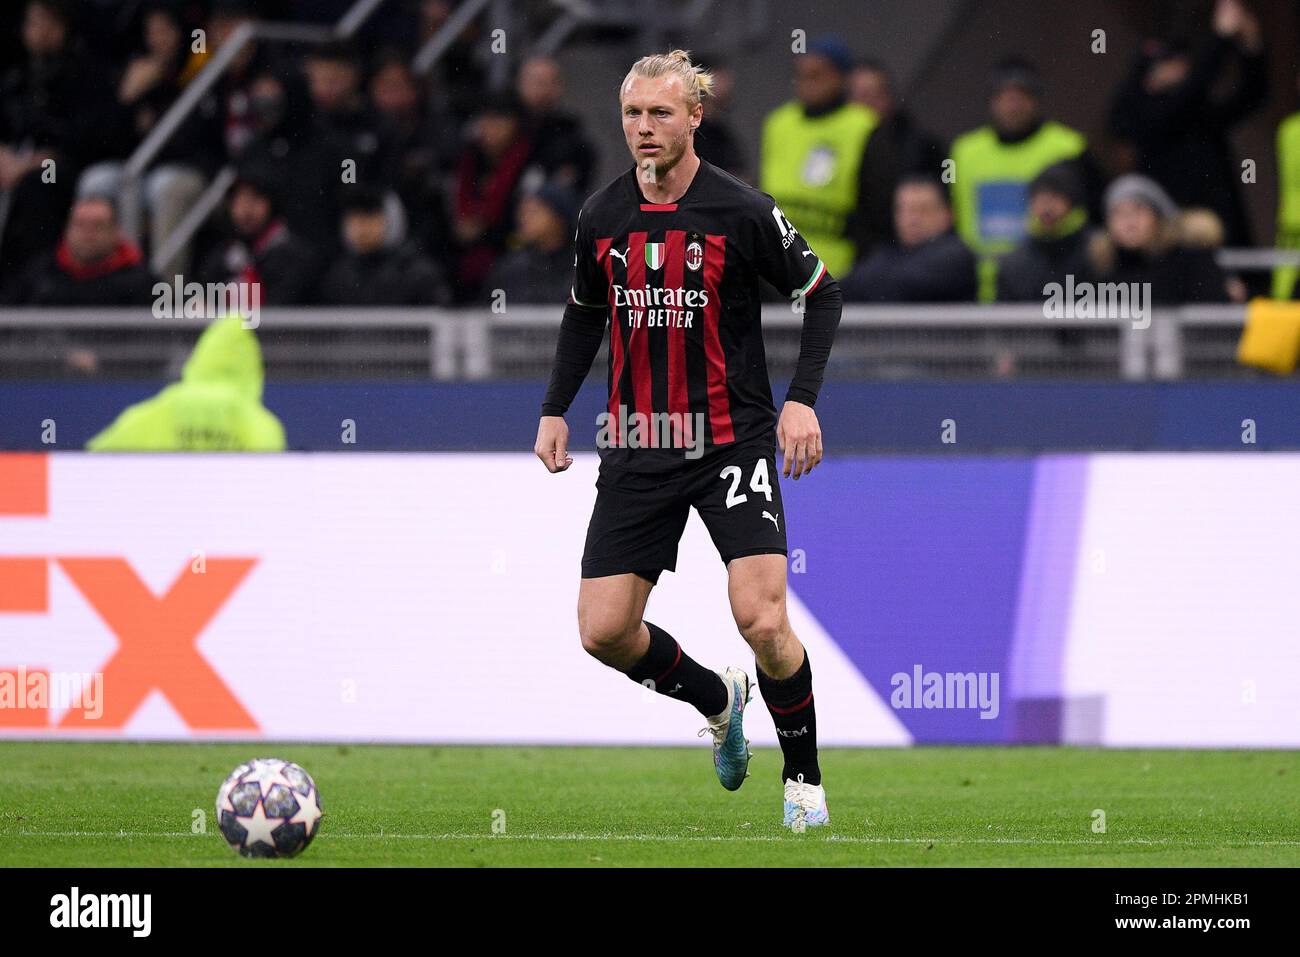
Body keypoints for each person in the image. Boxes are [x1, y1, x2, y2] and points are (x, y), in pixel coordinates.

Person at [534, 51, 842, 831]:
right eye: (634, 114)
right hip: (638, 441)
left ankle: (803, 779)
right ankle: (717, 697)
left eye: (661, 114)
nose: (645, 128)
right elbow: (583, 312)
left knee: (764, 619)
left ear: (694, 117)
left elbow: (821, 292)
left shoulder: (740, 210)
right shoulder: (601, 216)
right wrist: (555, 407)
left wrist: (801, 402)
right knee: (602, 630)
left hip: (732, 441)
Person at [1109, 0, 1266, 249]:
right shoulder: (1141, 112)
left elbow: (1253, 96)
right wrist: (1220, 37)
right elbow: (1187, 96)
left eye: (1184, 61)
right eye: (1170, 61)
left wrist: (1250, 46)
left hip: (1222, 232)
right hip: (1169, 239)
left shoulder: (1199, 115)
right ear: (1149, 76)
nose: (1181, 68)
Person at [948, 57, 1092, 300]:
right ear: (992, 101)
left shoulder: (1069, 147)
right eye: (1004, 97)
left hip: (1052, 285)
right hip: (978, 288)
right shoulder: (963, 152)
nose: (1012, 106)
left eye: (1021, 96)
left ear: (1036, 99)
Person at [759, 36, 877, 278]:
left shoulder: (864, 127)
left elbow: (875, 208)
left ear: (842, 78)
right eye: (801, 76)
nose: (807, 84)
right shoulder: (778, 123)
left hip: (838, 267)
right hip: (778, 266)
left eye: (817, 75)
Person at [87, 316, 286, 451]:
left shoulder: (152, 412)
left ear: (199, 357)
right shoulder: (261, 424)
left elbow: (95, 458)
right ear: (252, 367)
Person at [1087, 174, 1234, 305]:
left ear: (1158, 217)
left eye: (1139, 210)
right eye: (1118, 214)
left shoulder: (1191, 261)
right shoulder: (1102, 268)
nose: (1129, 223)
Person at [849, 59, 945, 254]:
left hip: (907, 254)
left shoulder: (919, 146)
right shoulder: (842, 144)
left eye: (868, 96)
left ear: (887, 98)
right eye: (854, 97)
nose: (859, 106)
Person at [840, 174, 975, 302]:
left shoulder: (955, 255)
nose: (912, 219)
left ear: (948, 214)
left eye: (923, 209)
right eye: (904, 210)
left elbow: (906, 283)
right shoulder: (885, 255)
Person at [197, 168, 320, 306]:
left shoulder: (296, 257)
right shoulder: (221, 256)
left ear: (271, 203)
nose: (246, 210)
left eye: (255, 198)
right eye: (240, 200)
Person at [3, 195, 155, 305]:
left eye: (98, 225)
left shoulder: (142, 284)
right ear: (67, 229)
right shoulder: (39, 277)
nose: (88, 233)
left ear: (116, 232)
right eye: (80, 224)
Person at [319, 185, 450, 306]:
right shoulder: (336, 276)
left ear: (393, 220)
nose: (361, 227)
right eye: (354, 218)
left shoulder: (419, 275)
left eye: (370, 216)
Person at [997, 162, 1094, 302]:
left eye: (1055, 198)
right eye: (1040, 199)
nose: (1046, 208)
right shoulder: (1013, 262)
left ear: (1072, 203)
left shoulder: (1096, 254)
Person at [485, 182, 578, 304]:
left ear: (559, 218)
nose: (524, 219)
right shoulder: (510, 270)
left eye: (534, 212)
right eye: (522, 213)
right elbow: (493, 314)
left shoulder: (585, 270)